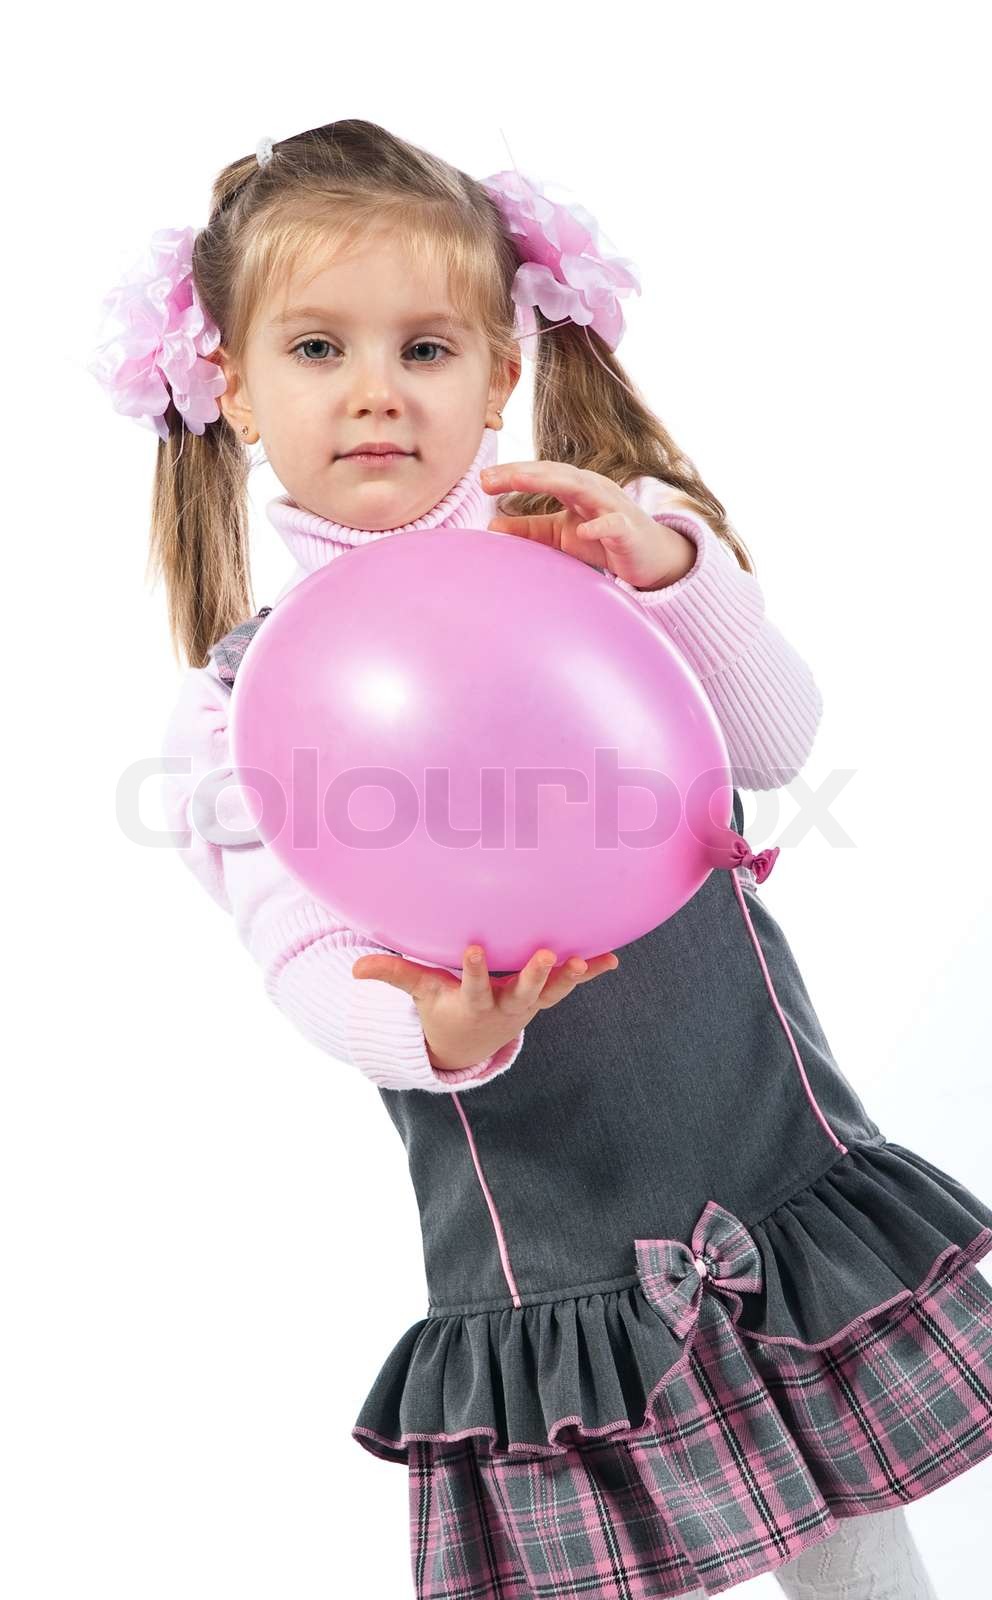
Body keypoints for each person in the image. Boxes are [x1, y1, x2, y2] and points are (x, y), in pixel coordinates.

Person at [91, 118, 992, 1599]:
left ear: (501, 370)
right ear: (238, 390)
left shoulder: (605, 557)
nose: (376, 392)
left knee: (857, 1530)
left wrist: (681, 581)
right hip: (553, 1232)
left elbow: (771, 745)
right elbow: (301, 957)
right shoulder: (238, 705)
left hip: (765, 1151)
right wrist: (426, 1030)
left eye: (426, 350)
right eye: (319, 350)